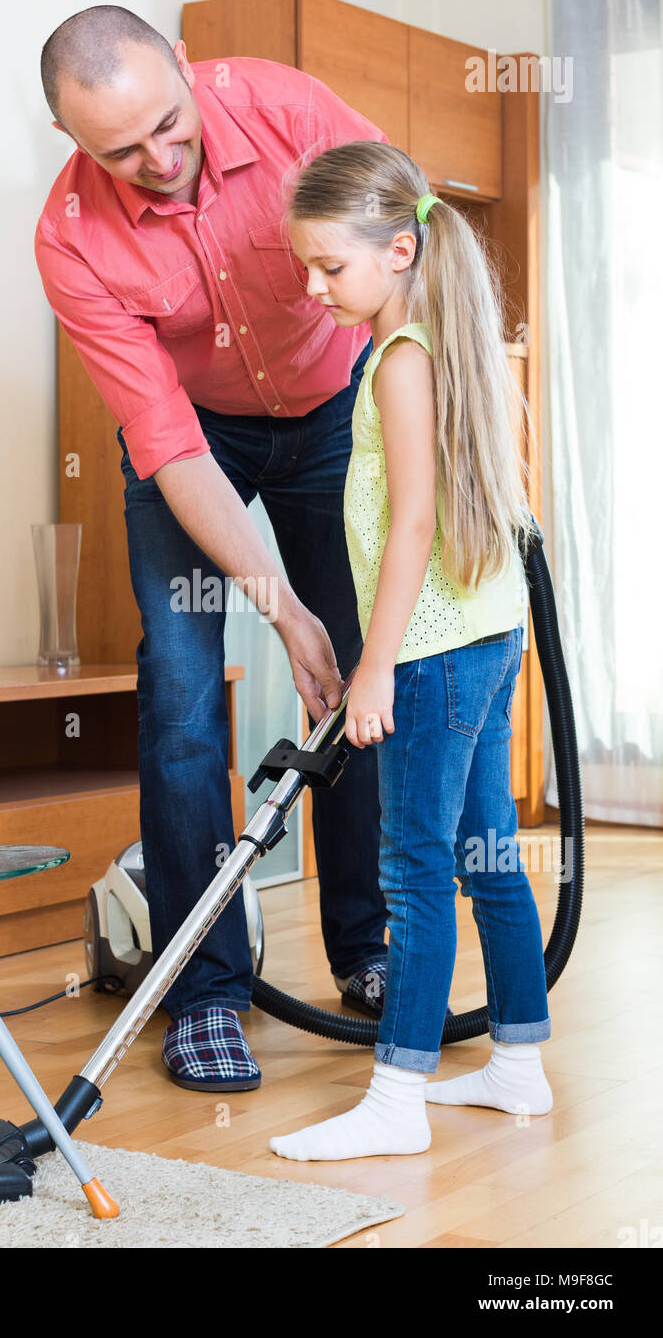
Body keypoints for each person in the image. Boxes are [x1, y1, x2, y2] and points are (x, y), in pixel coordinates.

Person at [34, 6, 398, 1091]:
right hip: (197, 435)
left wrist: (422, 408)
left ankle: (367, 949)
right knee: (181, 688)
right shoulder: (69, 238)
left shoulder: (288, 111)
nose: (155, 159)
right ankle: (203, 991)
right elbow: (168, 449)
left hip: (335, 408)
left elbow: (404, 240)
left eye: (165, 123)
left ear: (186, 70)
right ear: (70, 141)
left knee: (354, 679)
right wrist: (277, 608)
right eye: (118, 150)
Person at [269, 141, 552, 1161]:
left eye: (327, 267)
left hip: (432, 654)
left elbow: (411, 525)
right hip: (483, 634)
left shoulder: (397, 359)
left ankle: (395, 1096)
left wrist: (373, 664)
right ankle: (517, 1061)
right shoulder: (434, 339)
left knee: (415, 867)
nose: (311, 285)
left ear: (396, 251)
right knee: (484, 856)